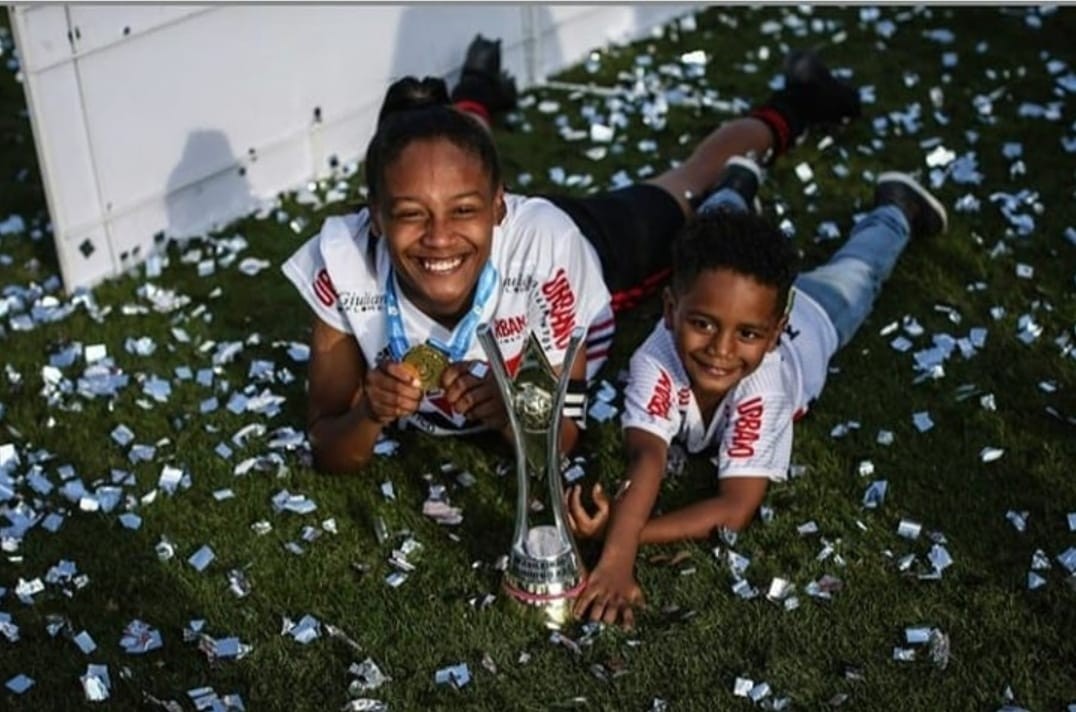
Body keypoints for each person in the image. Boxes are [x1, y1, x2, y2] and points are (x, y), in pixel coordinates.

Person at [281, 35, 862, 473]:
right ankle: (476, 92)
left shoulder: (550, 253)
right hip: (501, 227)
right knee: (445, 158)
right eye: (409, 214)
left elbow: (560, 440)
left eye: (465, 210)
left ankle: (800, 100)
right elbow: (328, 443)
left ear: (497, 206)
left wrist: (507, 409)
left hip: (587, 242)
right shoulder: (343, 263)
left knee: (689, 184)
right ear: (375, 218)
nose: (436, 237)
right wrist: (370, 414)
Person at [564, 159, 950, 628]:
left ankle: (896, 209)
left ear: (772, 335)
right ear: (670, 311)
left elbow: (735, 507)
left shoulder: (763, 386)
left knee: (859, 271)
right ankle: (734, 185)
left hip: (817, 318)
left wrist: (621, 540)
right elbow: (648, 457)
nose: (721, 351)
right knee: (715, 231)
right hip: (747, 296)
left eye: (747, 334)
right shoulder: (656, 357)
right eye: (702, 323)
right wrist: (615, 556)